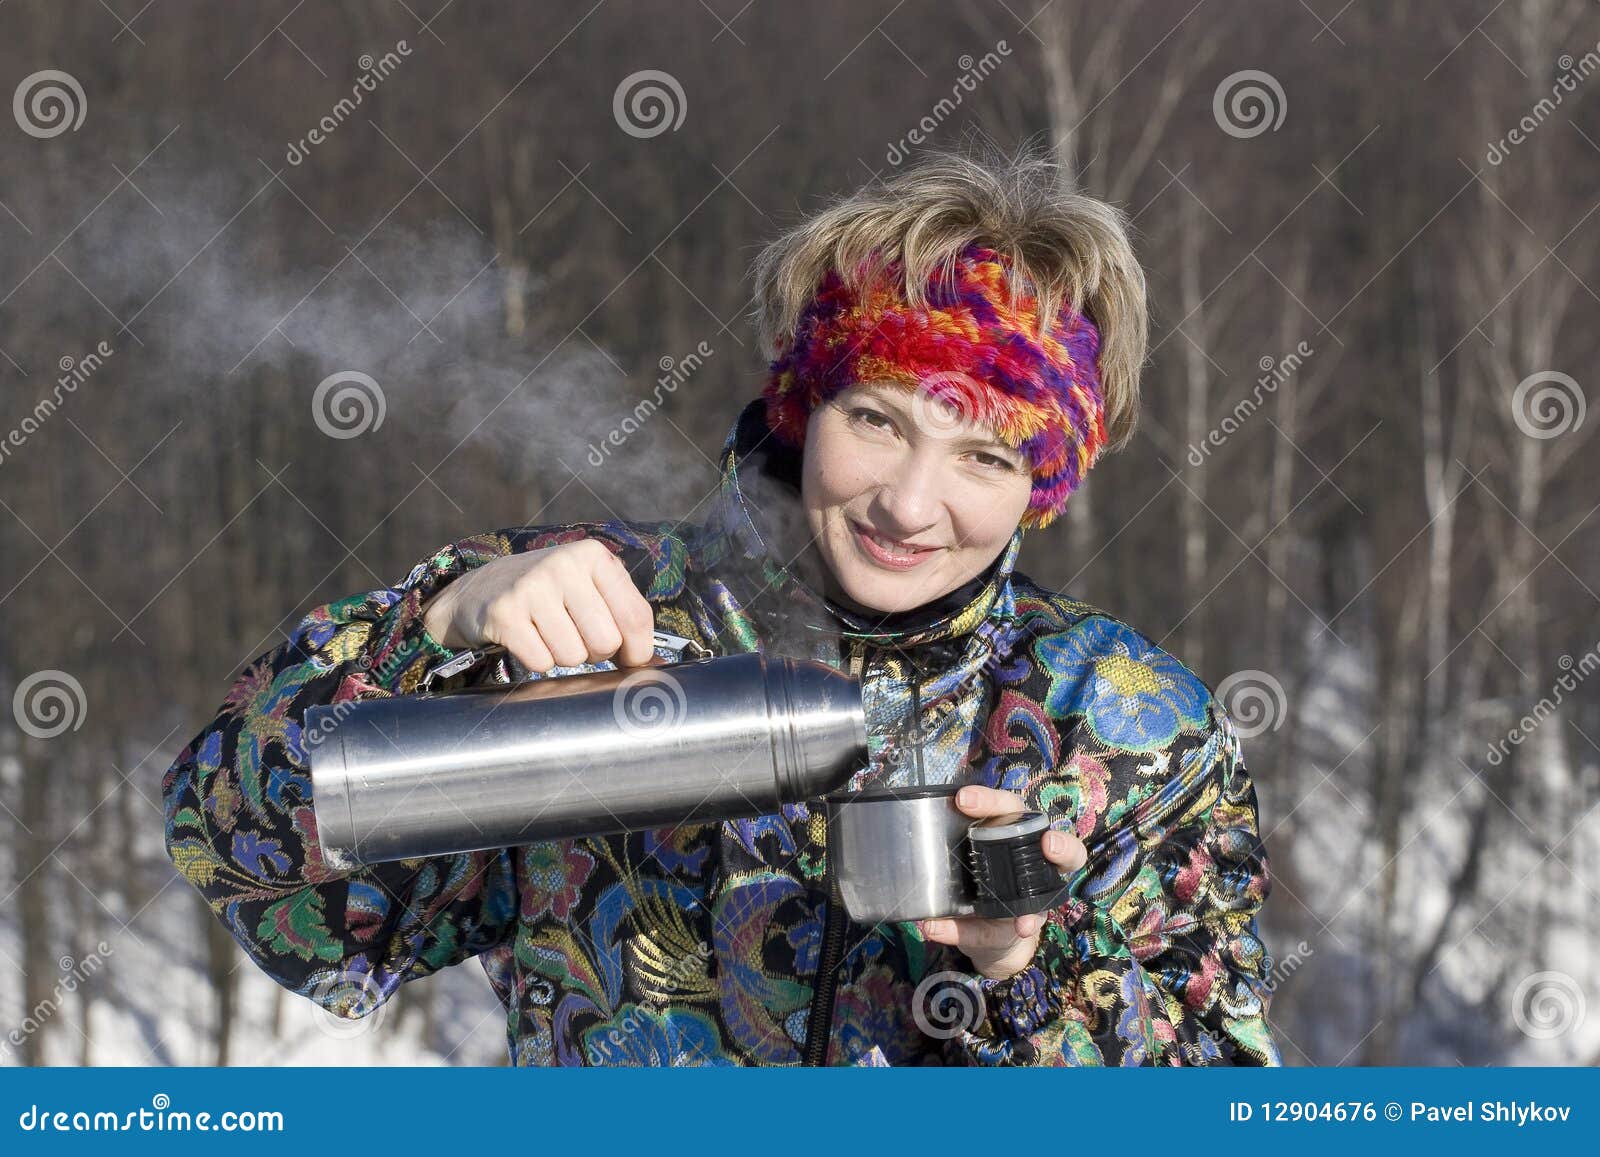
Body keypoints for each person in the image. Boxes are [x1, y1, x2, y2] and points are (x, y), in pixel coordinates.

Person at [162, 148, 1284, 1066]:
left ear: (1043, 487)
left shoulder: (1133, 726)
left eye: (984, 457)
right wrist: (433, 631)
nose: (907, 502)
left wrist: (1022, 967)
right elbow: (243, 862)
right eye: (878, 420)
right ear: (805, 401)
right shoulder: (580, 611)